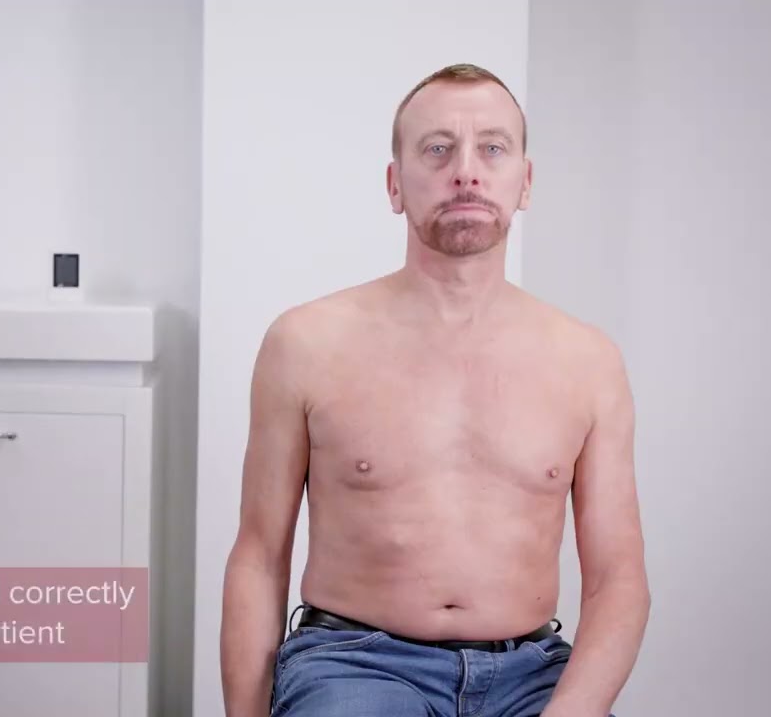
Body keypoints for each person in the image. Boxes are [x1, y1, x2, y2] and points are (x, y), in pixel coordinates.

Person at [220, 63, 650, 717]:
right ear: (395, 185)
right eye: (438, 149)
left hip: (532, 674)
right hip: (353, 665)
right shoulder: (305, 343)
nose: (466, 172)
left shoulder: (589, 361)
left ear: (525, 182)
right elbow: (258, 556)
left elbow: (618, 580)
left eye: (493, 148)